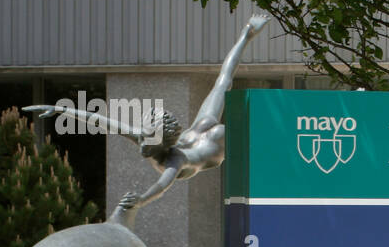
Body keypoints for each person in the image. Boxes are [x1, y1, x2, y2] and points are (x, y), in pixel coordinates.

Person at [23, 13, 270, 226]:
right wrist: (58, 108)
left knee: (223, 90)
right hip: (198, 132)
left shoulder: (176, 159)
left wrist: (141, 200)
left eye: (147, 141)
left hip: (214, 145)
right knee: (221, 86)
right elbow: (101, 120)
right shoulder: (148, 138)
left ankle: (246, 37)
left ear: (162, 143)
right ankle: (246, 35)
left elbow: (161, 187)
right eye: (142, 137)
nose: (141, 143)